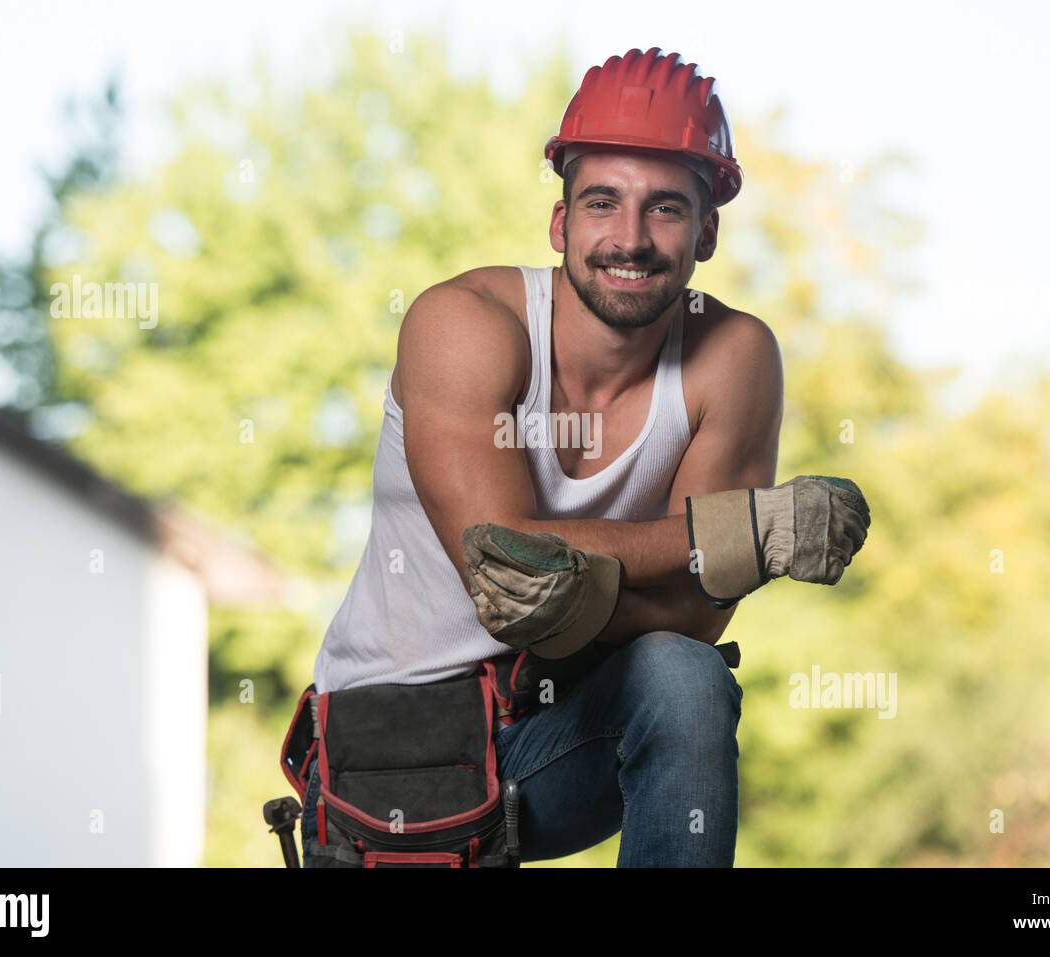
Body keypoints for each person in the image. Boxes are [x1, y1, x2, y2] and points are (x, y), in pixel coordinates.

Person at [302, 47, 870, 867]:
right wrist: (754, 527)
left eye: (666, 208)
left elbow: (693, 620)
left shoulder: (732, 358)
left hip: (554, 739)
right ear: (561, 222)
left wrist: (586, 591)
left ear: (706, 231)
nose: (630, 239)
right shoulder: (462, 325)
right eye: (603, 202)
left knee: (683, 679)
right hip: (392, 754)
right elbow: (501, 568)